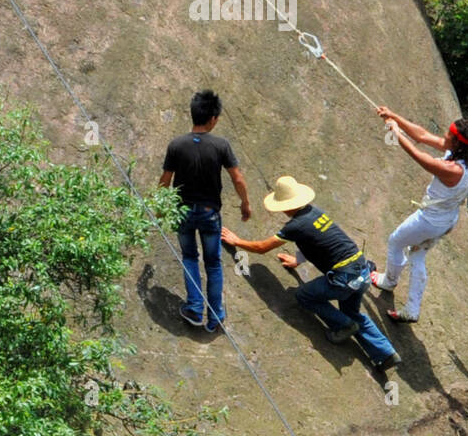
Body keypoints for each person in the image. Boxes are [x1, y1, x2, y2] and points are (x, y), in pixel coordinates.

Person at [221, 175, 401, 374]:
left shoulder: (295, 225)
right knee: (352, 311)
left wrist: (236, 241)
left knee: (303, 295)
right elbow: (316, 242)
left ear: (285, 206)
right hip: (362, 272)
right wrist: (297, 260)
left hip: (344, 279)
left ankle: (344, 325)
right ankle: (386, 354)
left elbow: (262, 247)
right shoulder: (316, 213)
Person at [371, 107, 468, 322]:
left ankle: (389, 281)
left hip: (429, 221)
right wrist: (395, 116)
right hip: (447, 219)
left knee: (395, 242)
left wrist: (396, 133)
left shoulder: (453, 170)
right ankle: (412, 309)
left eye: (449, 135)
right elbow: (421, 136)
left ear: (458, 143)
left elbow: (419, 156)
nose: (444, 137)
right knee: (417, 255)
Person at [159, 90, 251, 332]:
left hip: (183, 213)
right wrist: (245, 203)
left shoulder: (176, 145)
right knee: (213, 264)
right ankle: (215, 316)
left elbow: (165, 180)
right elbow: (237, 179)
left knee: (189, 257)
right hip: (210, 214)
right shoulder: (221, 145)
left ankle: (194, 307)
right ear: (213, 119)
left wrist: (160, 208)